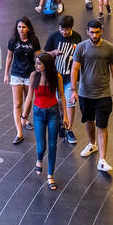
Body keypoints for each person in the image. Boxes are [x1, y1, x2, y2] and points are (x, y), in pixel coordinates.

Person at [72, 20, 113, 174]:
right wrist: (73, 90)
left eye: (97, 32)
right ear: (87, 32)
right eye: (92, 32)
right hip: (85, 93)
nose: (95, 35)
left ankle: (102, 159)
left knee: (102, 125)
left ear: (101, 31)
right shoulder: (81, 47)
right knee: (88, 120)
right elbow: (74, 70)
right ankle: (92, 144)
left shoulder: (109, 48)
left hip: (103, 94)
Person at [21, 53, 65, 190]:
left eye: (39, 63)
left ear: (47, 65)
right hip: (38, 112)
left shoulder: (56, 77)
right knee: (41, 146)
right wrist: (24, 116)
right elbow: (29, 97)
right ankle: (39, 160)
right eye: (36, 63)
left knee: (52, 146)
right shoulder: (34, 75)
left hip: (53, 113)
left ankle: (50, 175)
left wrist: (66, 116)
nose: (36, 66)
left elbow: (61, 96)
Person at [46, 15, 83, 145]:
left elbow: (80, 57)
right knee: (57, 102)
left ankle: (69, 129)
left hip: (70, 77)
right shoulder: (54, 37)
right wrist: (53, 53)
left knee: (70, 102)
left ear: (71, 28)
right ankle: (61, 121)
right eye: (62, 29)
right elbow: (44, 56)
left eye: (66, 30)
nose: (64, 32)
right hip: (56, 77)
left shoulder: (77, 38)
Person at [4, 17, 40, 145]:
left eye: (24, 27)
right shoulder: (13, 40)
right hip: (16, 74)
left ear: (28, 28)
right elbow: (9, 57)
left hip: (30, 74)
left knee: (28, 100)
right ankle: (19, 132)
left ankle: (25, 119)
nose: (21, 29)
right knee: (17, 103)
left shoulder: (34, 41)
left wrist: (39, 74)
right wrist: (6, 74)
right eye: (19, 27)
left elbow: (38, 58)